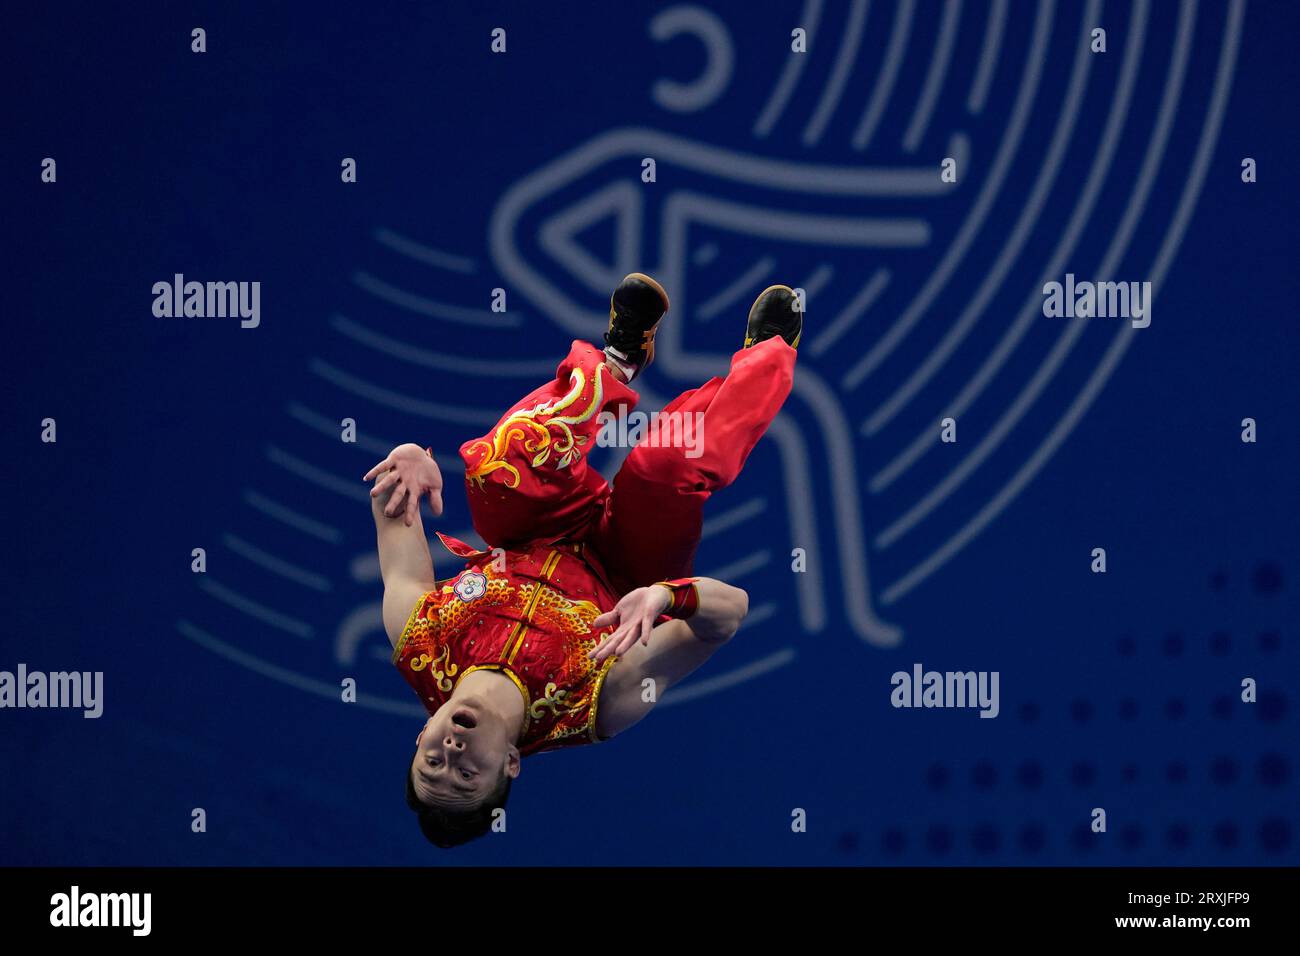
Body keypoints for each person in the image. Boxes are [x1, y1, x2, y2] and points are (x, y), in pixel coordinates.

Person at [365, 273, 802, 847]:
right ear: (510, 767)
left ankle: (617, 362)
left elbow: (393, 516)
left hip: (534, 524)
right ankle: (767, 357)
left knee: (495, 467)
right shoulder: (599, 705)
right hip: (628, 564)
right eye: (467, 774)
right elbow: (730, 614)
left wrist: (409, 462)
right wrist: (666, 597)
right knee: (663, 466)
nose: (451, 754)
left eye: (432, 764)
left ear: (422, 734)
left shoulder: (418, 641)